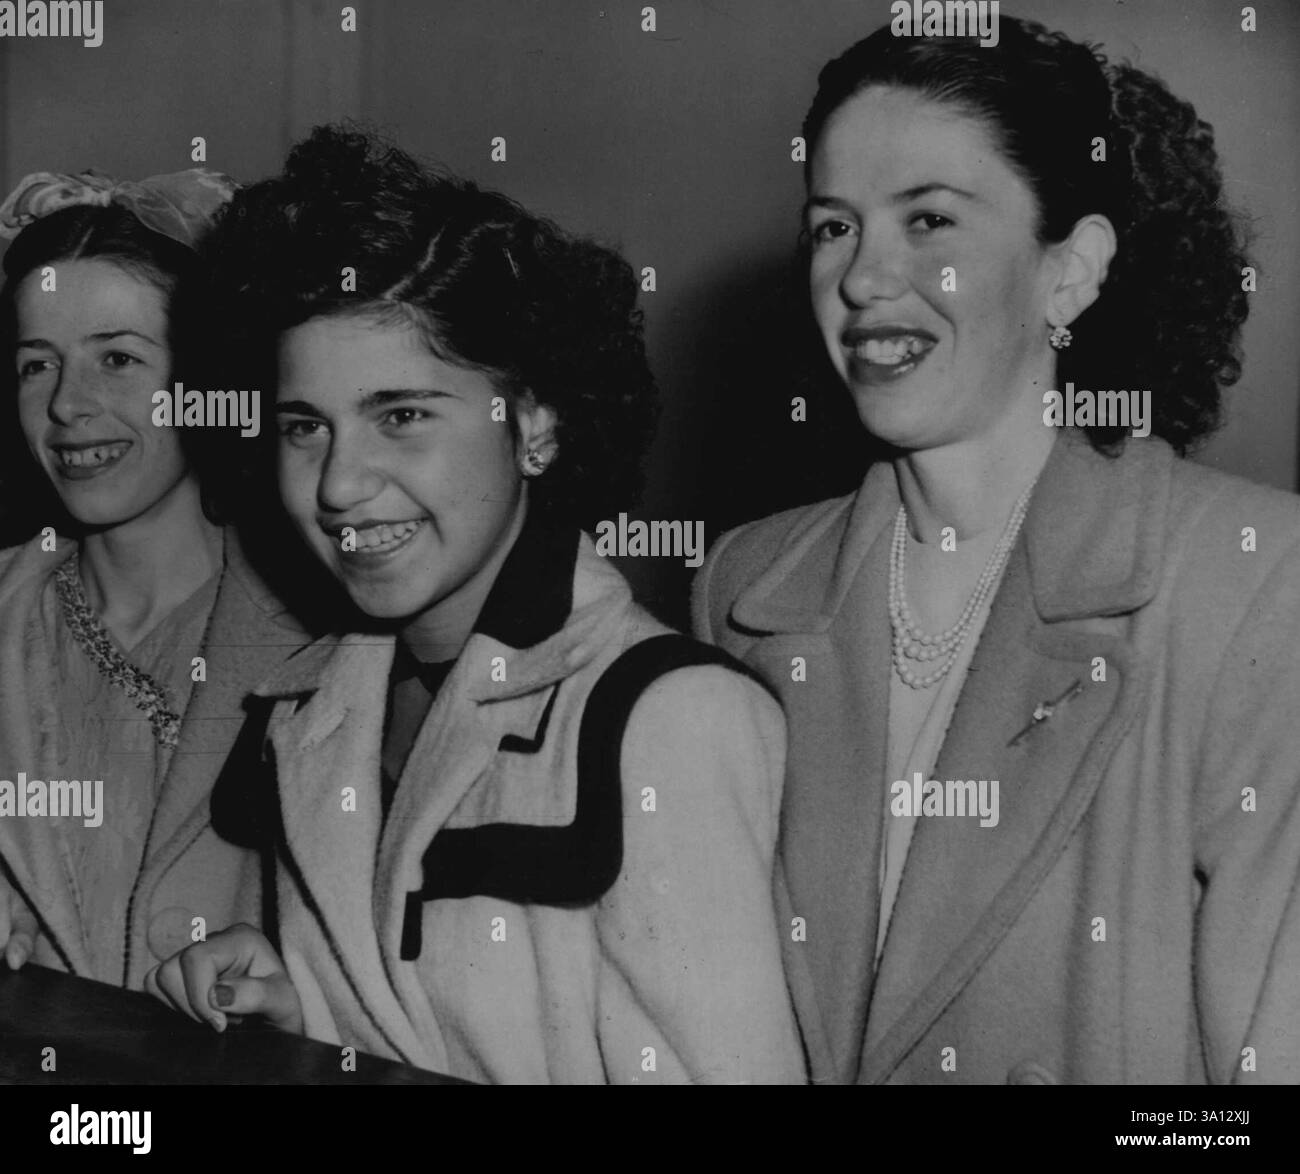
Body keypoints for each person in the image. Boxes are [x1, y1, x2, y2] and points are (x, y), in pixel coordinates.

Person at [693, 16, 1300, 1084]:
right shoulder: (744, 590)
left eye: (928, 218)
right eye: (833, 226)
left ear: (1067, 272)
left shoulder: (1251, 578)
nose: (865, 277)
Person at [146, 126, 803, 1084]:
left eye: (401, 416)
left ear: (534, 422)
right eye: (304, 428)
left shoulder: (666, 719)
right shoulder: (310, 709)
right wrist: (301, 1011)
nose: (339, 485)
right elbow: (424, 1020)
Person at [0, 168, 309, 989]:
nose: (69, 404)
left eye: (118, 359)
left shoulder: (322, 629)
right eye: (38, 365)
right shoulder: (8, 613)